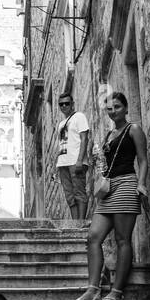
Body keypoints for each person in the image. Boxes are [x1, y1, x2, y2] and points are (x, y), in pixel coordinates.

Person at [71, 90, 148, 300]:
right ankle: (93, 289)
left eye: (117, 107)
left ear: (126, 108)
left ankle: (117, 291)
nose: (113, 111)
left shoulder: (134, 129)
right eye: (109, 109)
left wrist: (141, 184)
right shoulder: (108, 135)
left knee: (123, 239)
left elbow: (143, 160)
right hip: (108, 189)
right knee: (93, 237)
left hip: (126, 185)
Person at [56, 90, 90, 220]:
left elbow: (84, 138)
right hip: (63, 163)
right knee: (69, 196)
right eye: (61, 104)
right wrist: (57, 164)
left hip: (75, 161)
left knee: (79, 193)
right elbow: (61, 145)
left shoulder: (79, 116)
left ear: (72, 104)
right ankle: (75, 224)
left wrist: (80, 160)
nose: (64, 106)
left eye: (67, 103)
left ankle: (81, 223)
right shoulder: (61, 124)